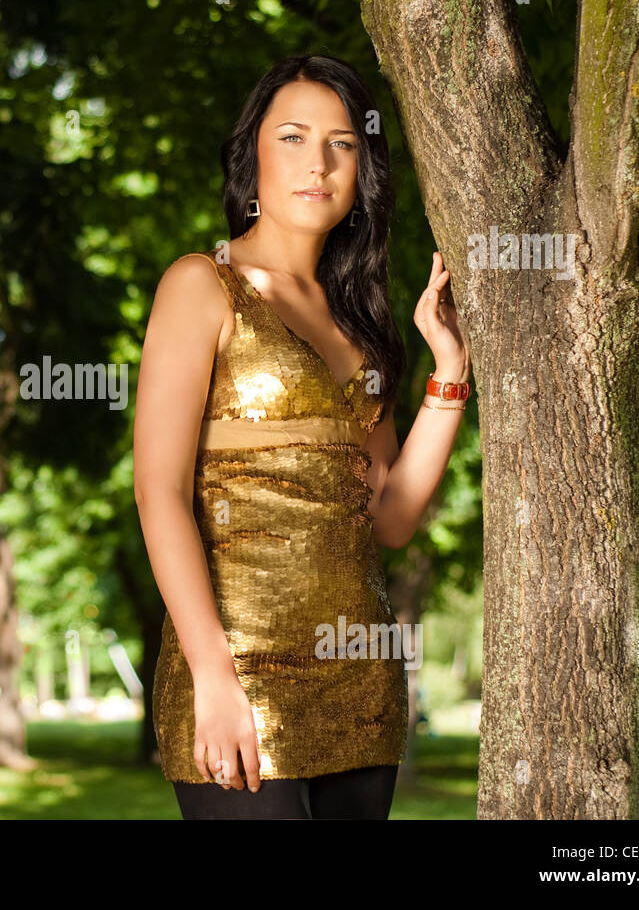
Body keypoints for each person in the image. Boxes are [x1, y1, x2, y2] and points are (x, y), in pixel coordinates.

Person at [132, 54, 470, 819]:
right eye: (292, 136)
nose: (317, 162)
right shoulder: (201, 284)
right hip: (236, 678)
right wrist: (214, 676)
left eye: (342, 143)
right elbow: (157, 494)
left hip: (361, 686)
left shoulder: (363, 324)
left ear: (362, 172)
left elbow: (392, 517)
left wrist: (447, 376)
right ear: (253, 154)